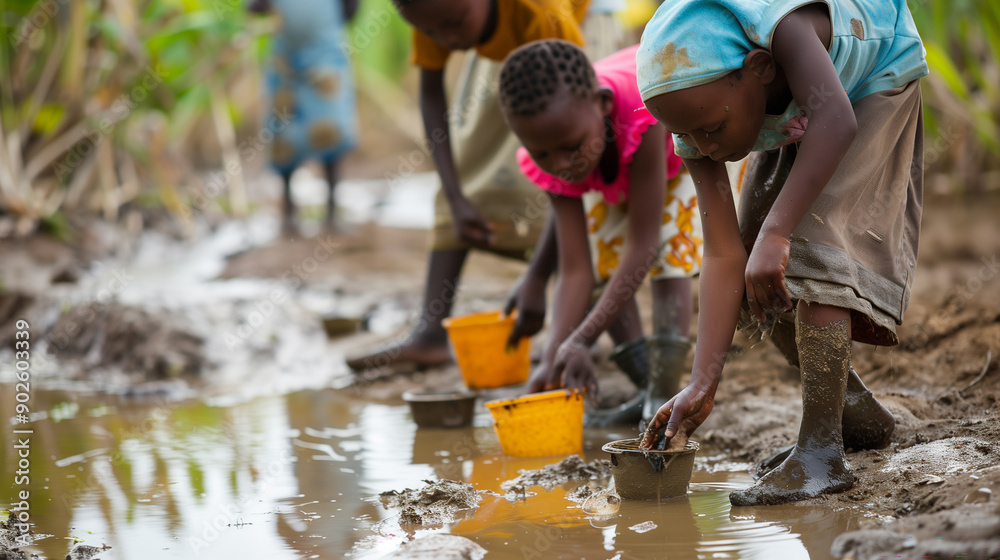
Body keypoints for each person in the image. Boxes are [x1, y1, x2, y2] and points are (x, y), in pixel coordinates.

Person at [635, 0, 928, 506]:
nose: (703, 148)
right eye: (687, 136)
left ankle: (820, 453)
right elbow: (723, 253)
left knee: (812, 246)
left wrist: (779, 233)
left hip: (870, 87)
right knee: (753, 267)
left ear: (759, 69)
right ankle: (851, 411)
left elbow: (836, 119)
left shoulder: (784, 31)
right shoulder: (701, 109)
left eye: (710, 130)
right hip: (798, 110)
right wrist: (701, 384)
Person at [346, 0, 625, 374]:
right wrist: (456, 195)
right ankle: (431, 333)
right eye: (433, 32)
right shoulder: (435, 11)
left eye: (454, 23)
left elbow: (568, 173)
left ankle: (578, 330)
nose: (447, 38)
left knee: (574, 176)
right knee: (468, 170)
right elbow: (431, 92)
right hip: (497, 56)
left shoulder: (541, 13)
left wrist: (536, 276)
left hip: (575, 46)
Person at [498, 40, 703, 425]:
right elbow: (576, 270)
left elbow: (643, 248)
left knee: (668, 248)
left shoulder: (641, 111)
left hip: (681, 145)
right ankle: (647, 386)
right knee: (604, 248)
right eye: (542, 155)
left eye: (571, 148)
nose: (560, 166)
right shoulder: (557, 140)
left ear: (603, 105)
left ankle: (663, 388)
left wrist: (583, 339)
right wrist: (555, 354)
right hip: (612, 154)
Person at [249, 0, 359, 234]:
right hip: (285, 59)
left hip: (325, 53)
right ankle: (288, 213)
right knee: (283, 133)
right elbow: (254, 6)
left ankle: (331, 212)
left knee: (331, 129)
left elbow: (352, 9)